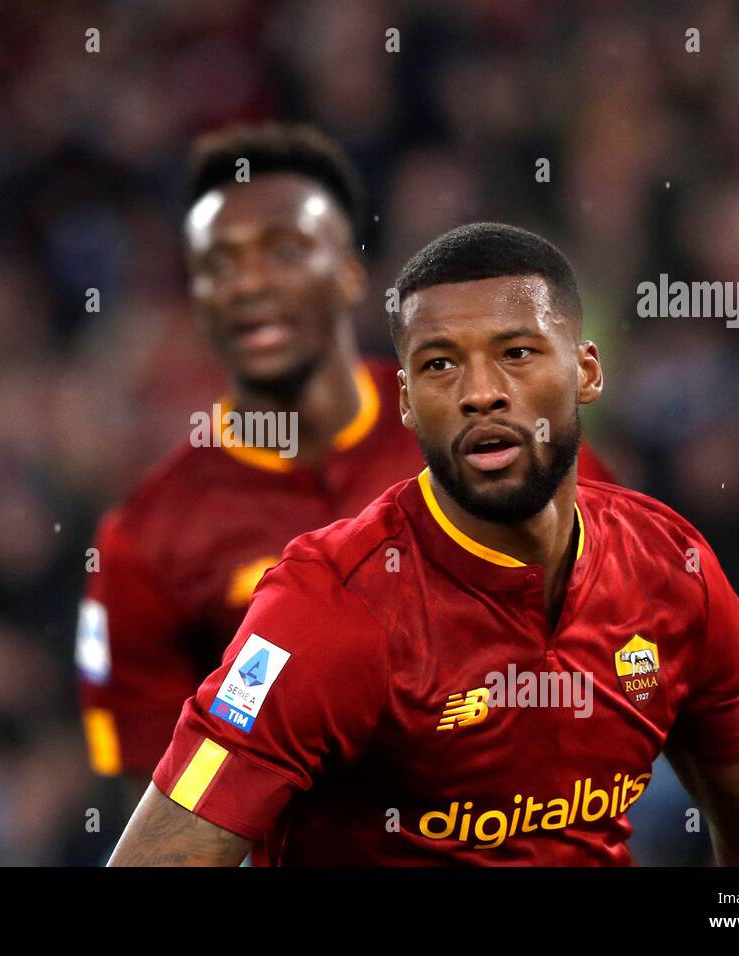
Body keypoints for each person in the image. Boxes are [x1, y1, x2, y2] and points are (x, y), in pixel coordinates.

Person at [108, 222, 739, 866]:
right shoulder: (327, 610)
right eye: (439, 364)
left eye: (516, 353)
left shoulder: (670, 571)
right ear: (405, 402)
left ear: (586, 370)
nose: (479, 391)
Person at [76, 127, 618, 802]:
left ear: (350, 276)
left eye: (285, 251)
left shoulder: (491, 424)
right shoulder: (144, 542)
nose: (251, 284)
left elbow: (620, 631)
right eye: (221, 264)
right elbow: (163, 806)